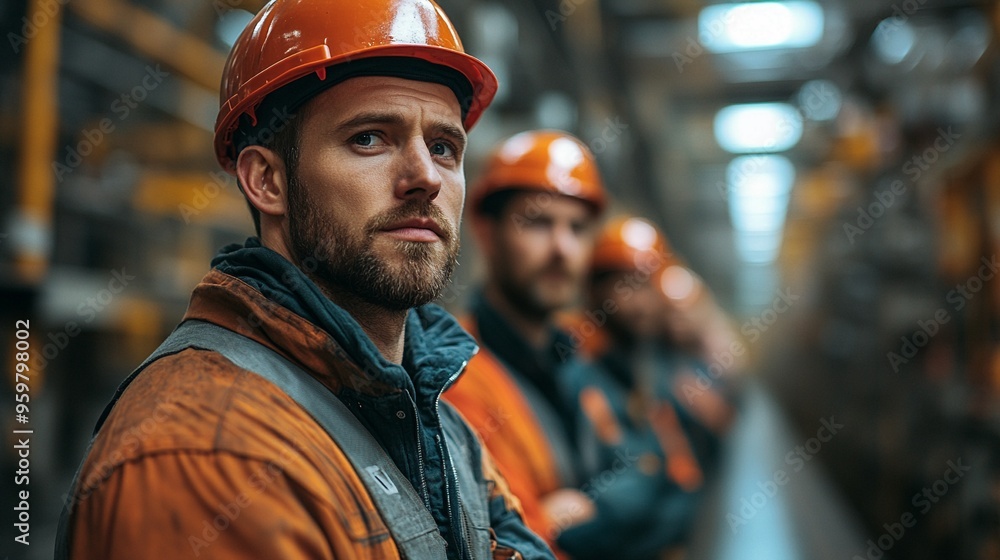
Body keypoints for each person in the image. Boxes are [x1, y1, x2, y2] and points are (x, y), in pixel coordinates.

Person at [56, 1, 553, 558]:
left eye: (443, 147)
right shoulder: (204, 456)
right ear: (266, 180)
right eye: (369, 138)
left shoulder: (438, 422)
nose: (425, 178)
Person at [443, 130, 608, 554]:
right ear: (486, 230)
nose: (561, 248)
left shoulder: (578, 355)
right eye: (537, 222)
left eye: (577, 229)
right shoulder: (455, 377)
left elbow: (651, 473)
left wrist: (600, 510)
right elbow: (517, 541)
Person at [555, 215, 735, 559]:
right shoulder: (578, 365)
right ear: (595, 291)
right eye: (625, 286)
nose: (639, 303)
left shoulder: (646, 366)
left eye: (646, 286)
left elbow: (676, 481)